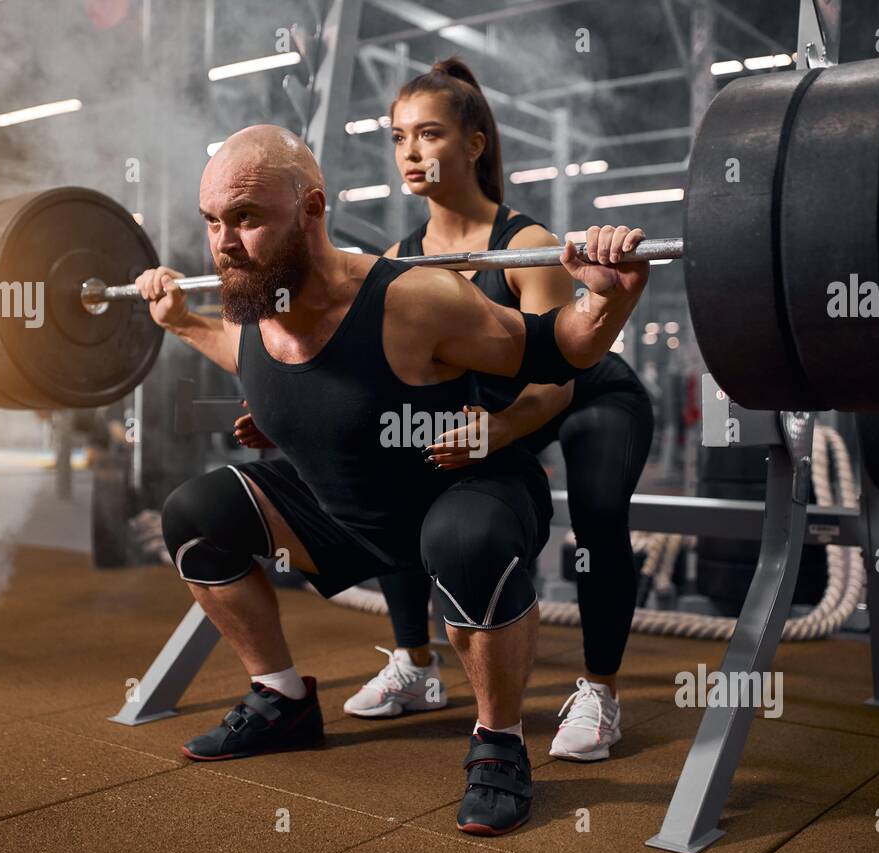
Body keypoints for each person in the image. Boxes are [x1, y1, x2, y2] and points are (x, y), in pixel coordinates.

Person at [135, 124, 648, 835]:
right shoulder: (249, 293)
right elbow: (248, 356)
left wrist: (610, 297)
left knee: (467, 540)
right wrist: (181, 320)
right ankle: (281, 698)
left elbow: (555, 348)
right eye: (213, 221)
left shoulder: (412, 298)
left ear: (312, 209)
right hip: (350, 520)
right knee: (194, 512)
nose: (223, 242)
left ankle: (499, 742)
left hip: (462, 495)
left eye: (247, 218)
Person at [237, 59, 654, 762]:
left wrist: (498, 431)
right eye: (399, 137)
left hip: (584, 394)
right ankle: (417, 667)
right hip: (490, 409)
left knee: (599, 513)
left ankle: (600, 690)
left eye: (429, 134)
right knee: (396, 468)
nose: (410, 152)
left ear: (475, 144)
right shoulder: (398, 261)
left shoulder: (526, 246)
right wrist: (290, 415)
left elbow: (556, 370)